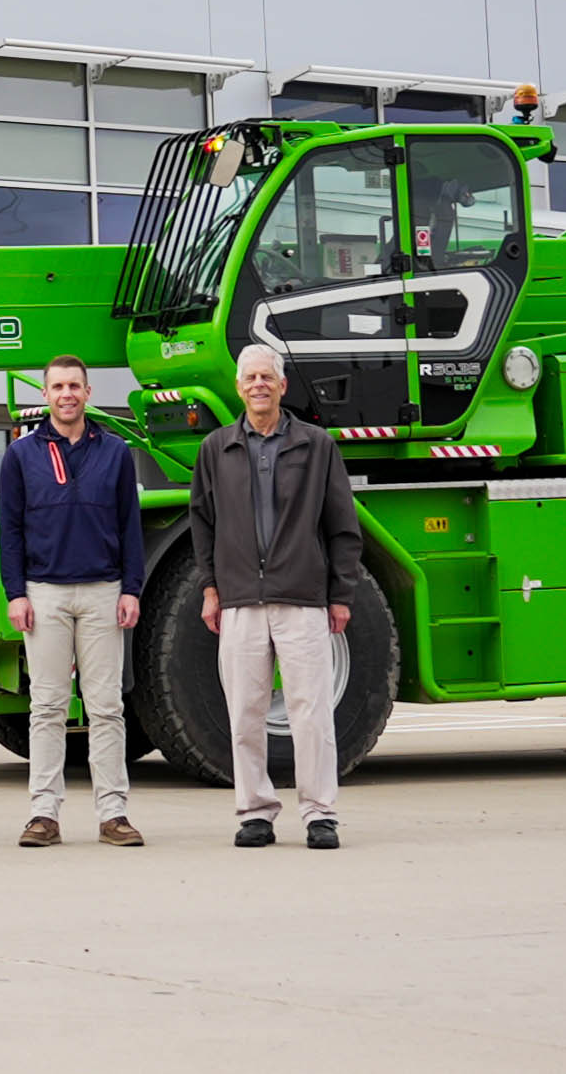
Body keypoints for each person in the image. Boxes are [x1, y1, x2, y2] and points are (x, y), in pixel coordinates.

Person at [186, 342, 372, 850]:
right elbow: (202, 524)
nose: (259, 385)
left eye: (268, 377)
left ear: (283, 385)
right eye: (250, 378)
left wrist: (341, 594)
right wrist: (210, 587)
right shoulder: (216, 449)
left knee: (310, 710)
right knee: (245, 712)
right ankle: (255, 813)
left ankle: (320, 814)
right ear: (239, 387)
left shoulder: (316, 445)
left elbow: (342, 525)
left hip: (302, 597)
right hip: (240, 600)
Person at [0, 356, 146, 847]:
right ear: (45, 395)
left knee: (106, 707)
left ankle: (113, 814)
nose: (66, 394)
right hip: (45, 593)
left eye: (74, 386)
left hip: (104, 591)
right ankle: (44, 814)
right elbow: (11, 530)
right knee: (47, 707)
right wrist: (15, 593)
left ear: (88, 392)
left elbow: (130, 527)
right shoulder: (21, 455)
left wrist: (132, 588)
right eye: (57, 386)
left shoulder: (116, 451)